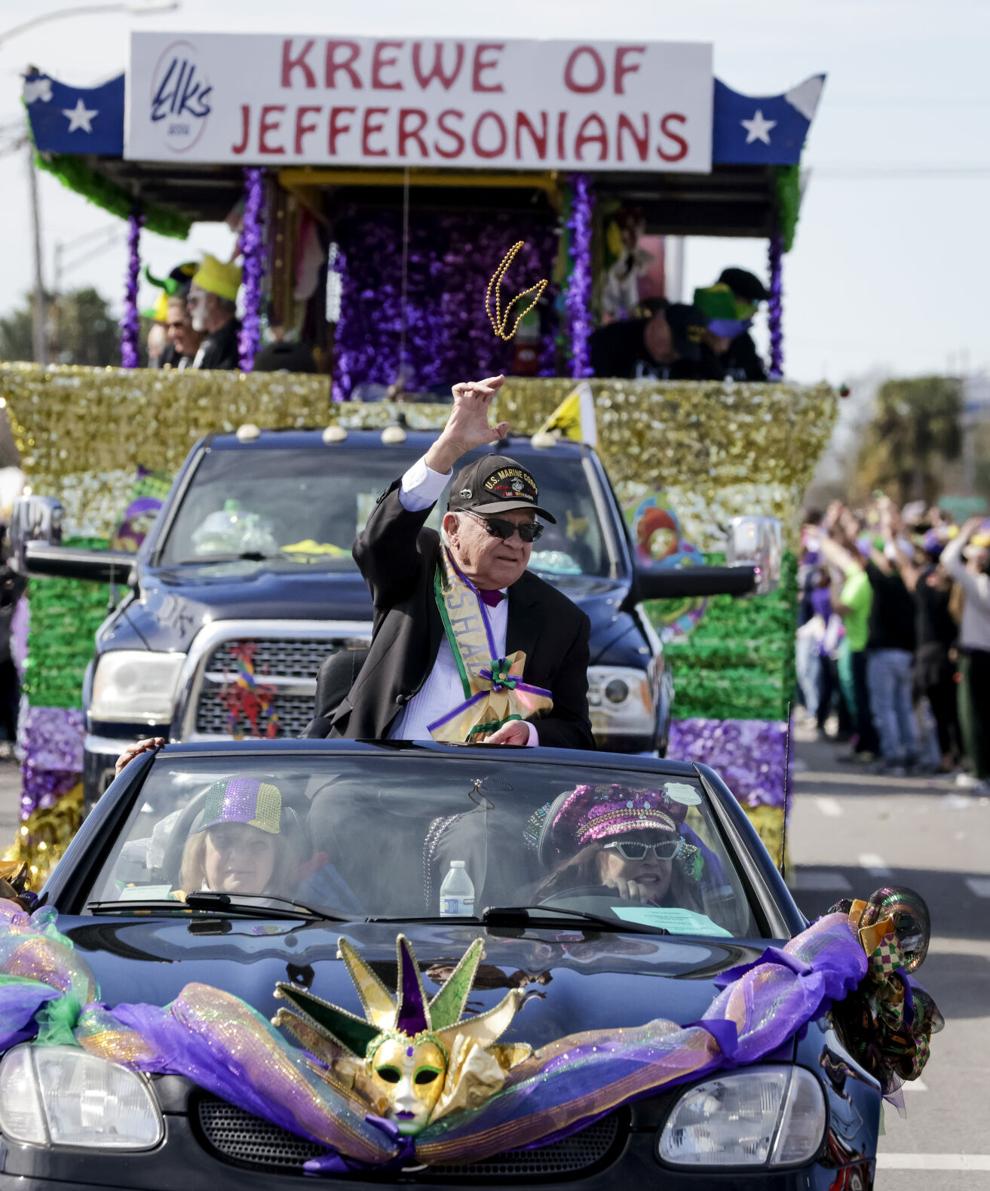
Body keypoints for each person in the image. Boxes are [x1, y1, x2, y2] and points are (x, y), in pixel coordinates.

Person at [310, 374, 594, 749]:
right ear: (452, 528)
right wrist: (447, 449)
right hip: (379, 775)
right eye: (497, 526)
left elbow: (577, 732)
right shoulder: (419, 567)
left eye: (528, 532)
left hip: (490, 793)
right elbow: (379, 541)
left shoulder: (563, 620)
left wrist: (530, 734)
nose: (514, 541)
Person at [531, 782, 705, 909]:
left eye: (664, 848)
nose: (652, 861)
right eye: (632, 848)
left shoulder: (697, 925)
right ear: (592, 859)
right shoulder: (548, 916)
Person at [177, 775, 299, 898]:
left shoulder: (306, 915)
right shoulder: (167, 909)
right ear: (200, 852)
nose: (240, 856)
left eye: (257, 844)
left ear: (277, 858)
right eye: (224, 842)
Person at [940, 516, 990, 791]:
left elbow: (949, 560)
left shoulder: (980, 583)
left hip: (975, 656)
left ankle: (978, 770)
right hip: (982, 655)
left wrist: (965, 534)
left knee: (971, 715)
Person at [589, 302, 707, 380]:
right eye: (672, 343)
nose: (671, 354)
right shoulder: (613, 340)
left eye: (680, 351)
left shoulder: (680, 368)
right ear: (659, 319)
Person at [693, 267, 770, 382]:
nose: (755, 310)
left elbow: (759, 383)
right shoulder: (689, 332)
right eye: (752, 302)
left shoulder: (744, 342)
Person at [187, 254, 242, 370]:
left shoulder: (232, 344)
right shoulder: (215, 339)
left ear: (212, 300)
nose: (189, 307)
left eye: (193, 300)